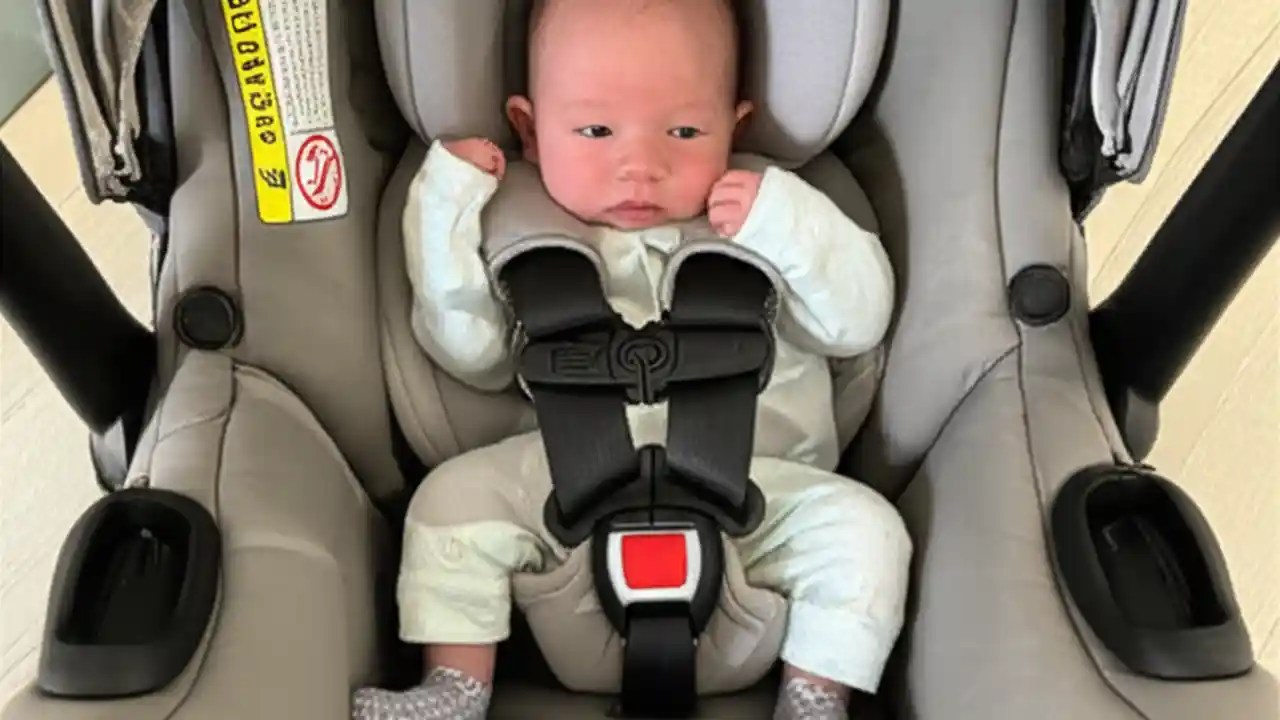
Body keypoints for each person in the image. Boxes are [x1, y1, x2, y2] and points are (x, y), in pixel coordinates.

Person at [354, 1, 911, 718]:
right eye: (595, 130)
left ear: (735, 126)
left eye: (685, 130)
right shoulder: (522, 235)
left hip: (759, 498)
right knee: (449, 501)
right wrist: (445, 209)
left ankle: (814, 695)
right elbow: (470, 353)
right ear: (528, 128)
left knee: (867, 531)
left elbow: (857, 322)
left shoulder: (771, 221)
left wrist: (785, 223)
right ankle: (457, 686)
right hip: (565, 502)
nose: (642, 164)